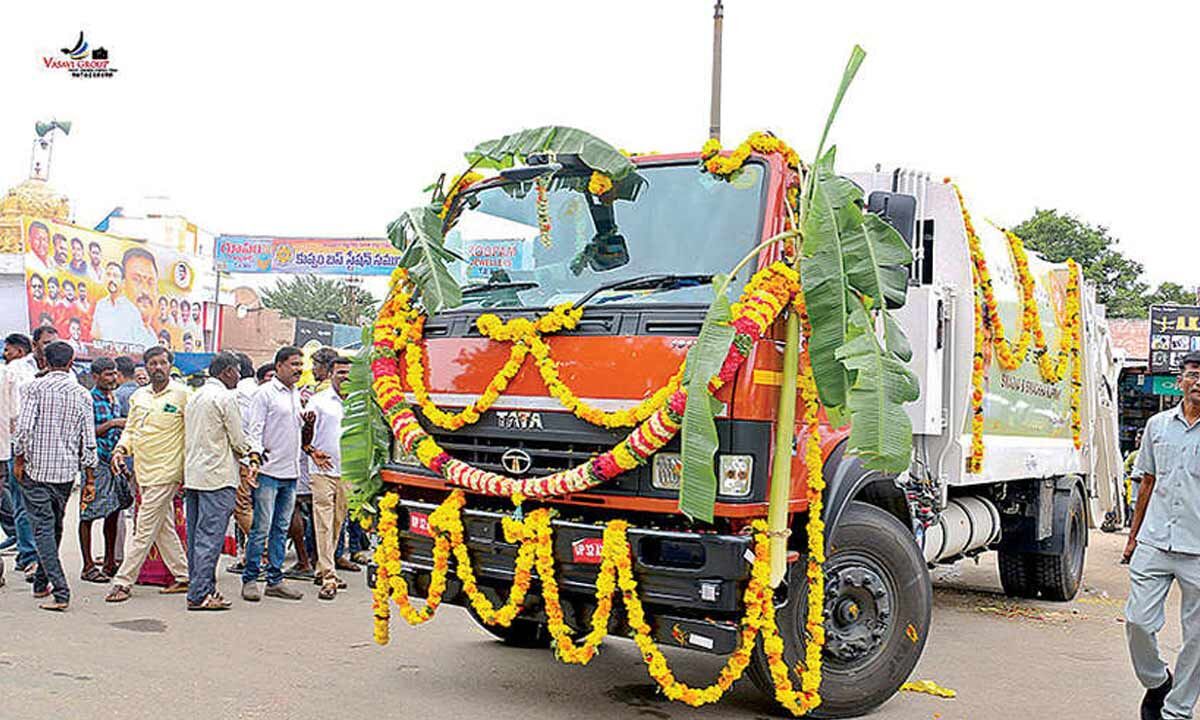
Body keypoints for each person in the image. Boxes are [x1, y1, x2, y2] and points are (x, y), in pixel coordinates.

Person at [1125, 352, 1200, 720]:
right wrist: (1133, 535)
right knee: (1137, 621)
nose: (1198, 381)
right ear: (1181, 380)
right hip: (1155, 540)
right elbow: (1147, 482)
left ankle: (1177, 712)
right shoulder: (1157, 426)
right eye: (1193, 374)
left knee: (1198, 639)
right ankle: (1157, 682)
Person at [12, 341, 97, 611]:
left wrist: (19, 458)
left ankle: (60, 590)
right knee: (55, 527)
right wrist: (90, 476)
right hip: (65, 472)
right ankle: (41, 582)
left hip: (37, 470)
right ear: (71, 362)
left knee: (44, 529)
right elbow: (89, 440)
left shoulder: (33, 388)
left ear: (44, 362)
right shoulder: (82, 394)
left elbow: (23, 429)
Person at [105, 346, 189, 602]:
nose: (158, 367)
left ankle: (123, 581)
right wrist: (120, 450)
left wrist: (186, 471)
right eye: (153, 363)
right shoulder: (138, 397)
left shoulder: (184, 395)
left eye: (162, 363)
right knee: (162, 527)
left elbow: (191, 436)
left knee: (143, 528)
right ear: (146, 367)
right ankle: (184, 576)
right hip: (142, 471)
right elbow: (130, 429)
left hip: (168, 471)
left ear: (170, 365)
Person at [183, 352, 258, 611]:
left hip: (194, 474)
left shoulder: (195, 396)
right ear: (227, 372)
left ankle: (201, 587)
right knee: (209, 537)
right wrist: (253, 455)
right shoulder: (225, 397)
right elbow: (238, 440)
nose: (239, 376)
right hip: (217, 475)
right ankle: (200, 594)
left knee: (196, 537)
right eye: (237, 371)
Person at [241, 346, 306, 601]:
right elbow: (254, 430)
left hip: (291, 473)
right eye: (294, 364)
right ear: (279, 366)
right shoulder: (264, 394)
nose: (299, 369)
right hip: (268, 472)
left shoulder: (295, 393)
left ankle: (275, 580)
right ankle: (249, 579)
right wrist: (254, 459)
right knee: (261, 528)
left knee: (281, 528)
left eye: (301, 364)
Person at [303, 356, 352, 600]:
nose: (345, 377)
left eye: (348, 373)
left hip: (348, 473)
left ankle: (324, 567)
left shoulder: (359, 403)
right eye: (340, 372)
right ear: (331, 373)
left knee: (337, 523)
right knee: (323, 521)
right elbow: (303, 436)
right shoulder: (318, 401)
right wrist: (313, 452)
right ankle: (329, 578)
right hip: (321, 470)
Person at [78, 357, 126, 583]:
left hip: (113, 461)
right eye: (108, 374)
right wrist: (113, 424)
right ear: (96, 376)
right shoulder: (88, 398)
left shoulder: (113, 398)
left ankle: (109, 562)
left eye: (114, 373)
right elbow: (85, 432)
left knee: (113, 512)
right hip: (94, 464)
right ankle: (87, 565)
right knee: (88, 513)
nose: (113, 378)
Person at [2, 335, 39, 580]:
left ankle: (27, 554)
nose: (5, 353)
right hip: (15, 446)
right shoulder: (17, 371)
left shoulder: (13, 371)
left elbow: (17, 413)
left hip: (15, 446)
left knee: (21, 501)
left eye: (7, 349)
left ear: (19, 350)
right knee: (23, 501)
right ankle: (27, 553)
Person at [91, 261, 149, 348]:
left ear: (123, 282)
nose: (111, 279)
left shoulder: (131, 310)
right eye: (108, 275)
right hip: (104, 357)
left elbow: (141, 342)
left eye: (115, 276)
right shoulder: (100, 305)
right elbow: (95, 334)